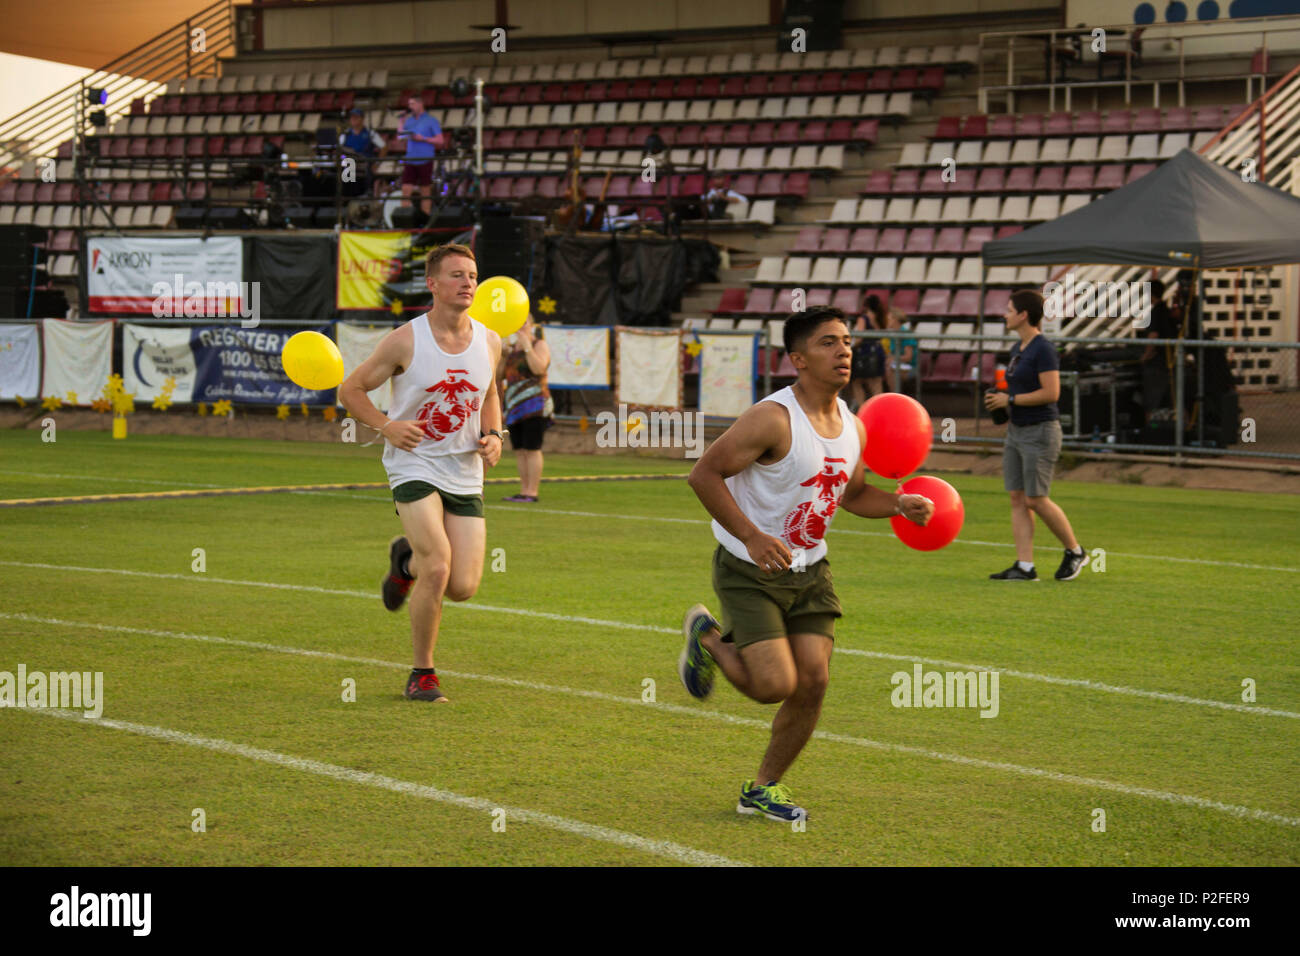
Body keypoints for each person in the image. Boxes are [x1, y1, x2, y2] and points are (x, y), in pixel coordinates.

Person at [679, 305, 935, 822]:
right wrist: (750, 537)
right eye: (827, 343)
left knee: (813, 681)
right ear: (797, 358)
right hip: (750, 570)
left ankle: (763, 787)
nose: (844, 351)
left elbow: (854, 493)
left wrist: (898, 504)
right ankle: (708, 637)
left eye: (846, 341)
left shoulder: (854, 427)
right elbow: (704, 474)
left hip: (811, 572)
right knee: (774, 686)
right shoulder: (771, 418)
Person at [337, 243, 505, 702]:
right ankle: (422, 674)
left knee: (464, 586)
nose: (468, 282)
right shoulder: (405, 340)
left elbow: (490, 392)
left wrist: (495, 434)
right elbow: (350, 389)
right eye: (456, 275)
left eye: (472, 274)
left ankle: (403, 561)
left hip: (465, 468)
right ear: (432, 284)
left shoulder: (490, 340)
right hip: (414, 464)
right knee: (439, 564)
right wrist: (387, 426)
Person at [983, 290, 1087, 582]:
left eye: (1009, 309)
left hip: (1040, 431)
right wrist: (1002, 399)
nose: (1005, 314)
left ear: (1023, 314)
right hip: (1017, 430)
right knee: (1017, 497)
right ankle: (1025, 566)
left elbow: (1051, 393)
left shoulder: (1043, 349)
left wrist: (1011, 402)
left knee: (1036, 498)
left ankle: (1075, 550)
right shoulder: (1019, 347)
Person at [496, 313, 552, 502]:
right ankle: (524, 490)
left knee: (532, 448)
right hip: (515, 406)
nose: (520, 326)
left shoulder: (538, 345)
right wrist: (503, 356)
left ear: (532, 324)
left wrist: (527, 345)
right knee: (519, 450)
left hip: (535, 405)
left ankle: (532, 491)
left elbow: (539, 369)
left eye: (524, 322)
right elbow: (499, 375)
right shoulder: (511, 350)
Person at [397, 95, 445, 218]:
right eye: (409, 104)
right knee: (406, 189)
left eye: (412, 104)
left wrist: (423, 138)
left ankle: (425, 219)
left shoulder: (431, 120)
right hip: (410, 159)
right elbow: (400, 137)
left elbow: (440, 140)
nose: (410, 107)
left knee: (425, 190)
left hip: (425, 159)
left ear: (420, 104)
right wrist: (401, 122)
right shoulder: (409, 121)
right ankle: (405, 218)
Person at [1139, 278, 1177, 424]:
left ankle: (1150, 433)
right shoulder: (1166, 311)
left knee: (1150, 403)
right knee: (1171, 402)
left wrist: (1145, 356)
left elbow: (1153, 336)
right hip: (1168, 363)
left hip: (1157, 365)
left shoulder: (1156, 312)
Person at [847, 294, 886, 411]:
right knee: (876, 384)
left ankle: (864, 411)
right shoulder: (881, 318)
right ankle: (880, 410)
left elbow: (859, 338)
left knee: (857, 383)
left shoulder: (863, 318)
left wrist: (850, 347)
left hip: (865, 354)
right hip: (878, 351)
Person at [339, 107, 386, 198]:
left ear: (362, 119)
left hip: (365, 162)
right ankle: (347, 196)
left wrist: (378, 162)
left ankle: (366, 192)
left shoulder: (370, 133)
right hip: (350, 163)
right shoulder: (346, 134)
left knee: (366, 168)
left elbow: (384, 147)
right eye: (352, 117)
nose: (353, 120)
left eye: (356, 117)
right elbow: (339, 149)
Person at [883, 306, 918, 394]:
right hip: (896, 365)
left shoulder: (906, 334)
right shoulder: (893, 334)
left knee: (890, 371)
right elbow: (891, 354)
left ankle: (894, 396)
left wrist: (893, 358)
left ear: (895, 320)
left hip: (910, 367)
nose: (887, 321)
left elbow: (908, 357)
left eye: (889, 319)